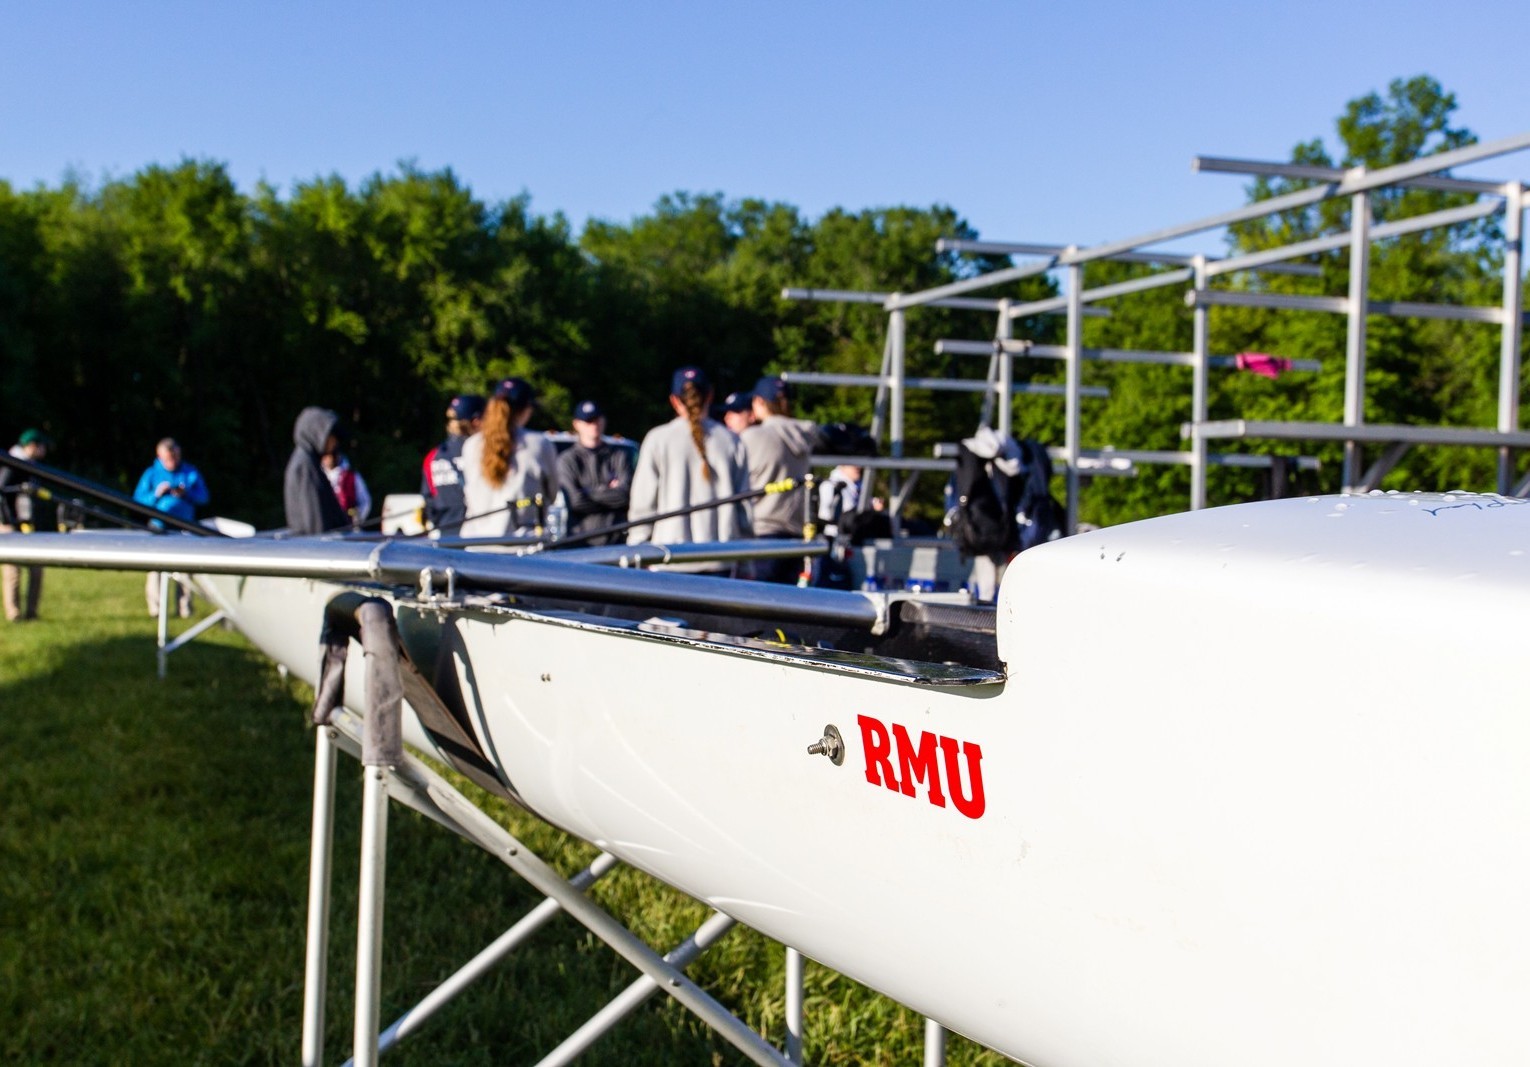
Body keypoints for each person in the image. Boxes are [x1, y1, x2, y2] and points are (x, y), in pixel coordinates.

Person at [627, 366, 751, 568]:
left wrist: (636, 549)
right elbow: (744, 508)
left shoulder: (658, 439)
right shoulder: (731, 441)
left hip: (670, 557)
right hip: (720, 558)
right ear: (710, 396)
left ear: (674, 400)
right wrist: (746, 561)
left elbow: (643, 505)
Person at [740, 375, 825, 583]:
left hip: (762, 535)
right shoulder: (805, 435)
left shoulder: (752, 437)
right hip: (796, 538)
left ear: (760, 402)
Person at [460, 378, 559, 539]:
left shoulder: (471, 445)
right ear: (526, 410)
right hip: (522, 547)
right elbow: (551, 494)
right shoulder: (539, 444)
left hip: (477, 546)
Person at [132, 437, 211, 617]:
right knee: (156, 568)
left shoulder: (190, 471)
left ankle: (185, 609)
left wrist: (186, 493)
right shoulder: (151, 474)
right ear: (160, 456)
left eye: (175, 457)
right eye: (168, 458)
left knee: (185, 569)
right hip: (159, 527)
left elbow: (204, 497)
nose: (173, 461)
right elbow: (137, 500)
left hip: (184, 527)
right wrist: (156, 494)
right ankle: (156, 610)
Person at [556, 399, 632, 545]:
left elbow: (625, 495)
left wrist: (588, 492)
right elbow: (575, 500)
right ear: (576, 424)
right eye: (588, 421)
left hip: (615, 541)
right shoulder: (568, 459)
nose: (594, 425)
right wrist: (608, 490)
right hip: (581, 542)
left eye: (597, 419)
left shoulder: (619, 455)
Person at [1, 429, 51, 622]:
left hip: (28, 524)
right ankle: (13, 613)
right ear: (32, 446)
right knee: (12, 570)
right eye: (42, 446)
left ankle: (31, 612)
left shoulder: (31, 466)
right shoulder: (13, 463)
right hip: (10, 524)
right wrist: (8, 521)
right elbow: (1, 490)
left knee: (37, 567)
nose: (44, 450)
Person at [421, 393, 485, 534]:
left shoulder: (433, 456)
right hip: (478, 534)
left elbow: (429, 499)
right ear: (476, 421)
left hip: (445, 536)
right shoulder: (482, 451)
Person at [284, 407, 350, 535]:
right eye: (331, 435)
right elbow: (314, 519)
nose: (335, 441)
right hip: (316, 548)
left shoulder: (309, 463)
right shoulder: (305, 466)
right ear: (316, 433)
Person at [321, 451, 372, 528]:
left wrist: (356, 518)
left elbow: (365, 501)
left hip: (348, 526)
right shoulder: (318, 477)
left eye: (328, 456)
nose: (326, 459)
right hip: (325, 528)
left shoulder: (352, 477)